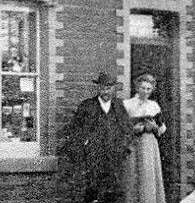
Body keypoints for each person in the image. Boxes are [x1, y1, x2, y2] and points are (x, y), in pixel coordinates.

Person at [64, 71, 133, 203]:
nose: (106, 91)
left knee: (113, 193)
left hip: (114, 158)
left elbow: (128, 130)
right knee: (92, 192)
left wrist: (124, 148)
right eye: (102, 88)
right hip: (92, 159)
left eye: (109, 88)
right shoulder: (87, 106)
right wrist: (84, 146)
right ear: (97, 88)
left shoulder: (120, 106)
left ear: (114, 88)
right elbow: (75, 129)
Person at [123, 73, 167, 203]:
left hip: (149, 144)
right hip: (134, 144)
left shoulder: (154, 106)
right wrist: (136, 129)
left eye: (149, 89)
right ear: (137, 87)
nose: (146, 92)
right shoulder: (127, 104)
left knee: (148, 174)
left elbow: (163, 127)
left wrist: (155, 127)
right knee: (133, 173)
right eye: (143, 88)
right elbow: (122, 127)